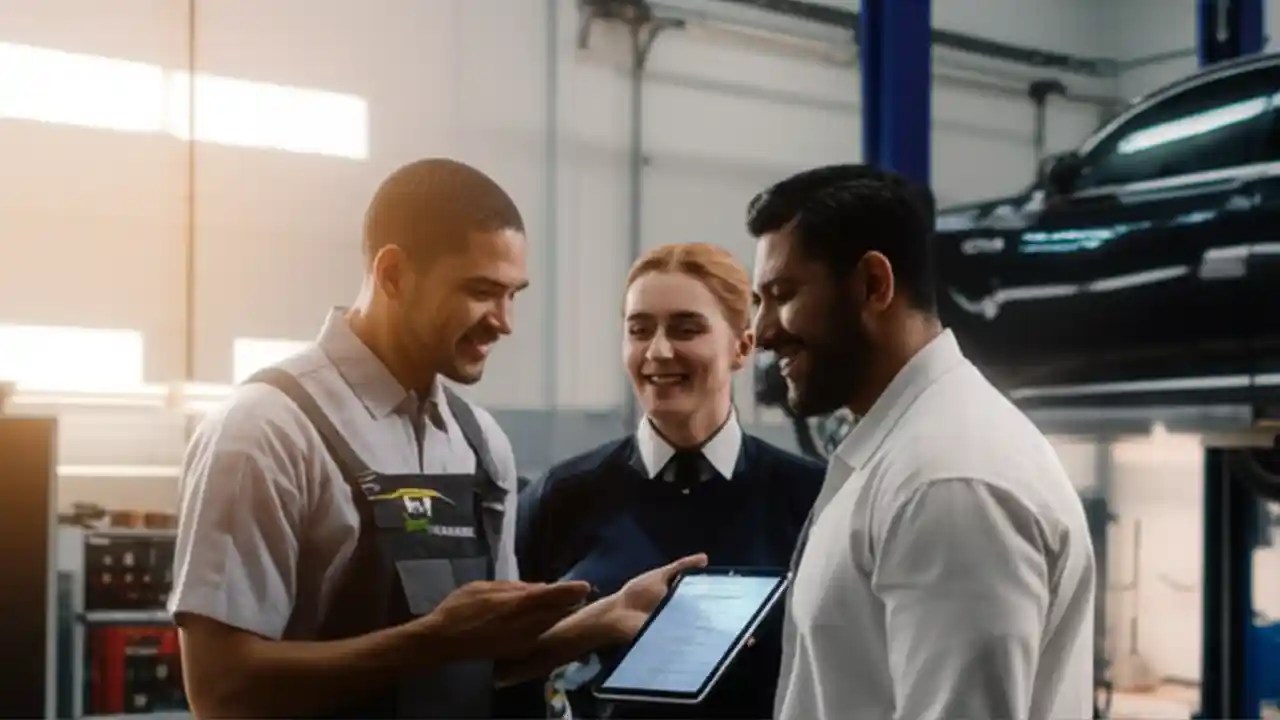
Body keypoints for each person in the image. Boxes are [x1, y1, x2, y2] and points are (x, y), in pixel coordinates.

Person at [167, 158, 705, 719]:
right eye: (481, 291)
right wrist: (433, 640)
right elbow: (220, 690)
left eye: (513, 294)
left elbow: (485, 661)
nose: (504, 321)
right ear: (394, 274)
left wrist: (604, 618)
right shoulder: (267, 430)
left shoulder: (478, 442)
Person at [747, 165, 1096, 720]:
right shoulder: (906, 451)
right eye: (757, 301)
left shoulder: (947, 481)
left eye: (782, 294)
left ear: (873, 285)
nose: (761, 331)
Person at [500, 243, 824, 719]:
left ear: (743, 346)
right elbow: (491, 670)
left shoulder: (812, 498)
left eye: (686, 328)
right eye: (639, 330)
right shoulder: (562, 496)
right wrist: (597, 623)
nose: (657, 350)